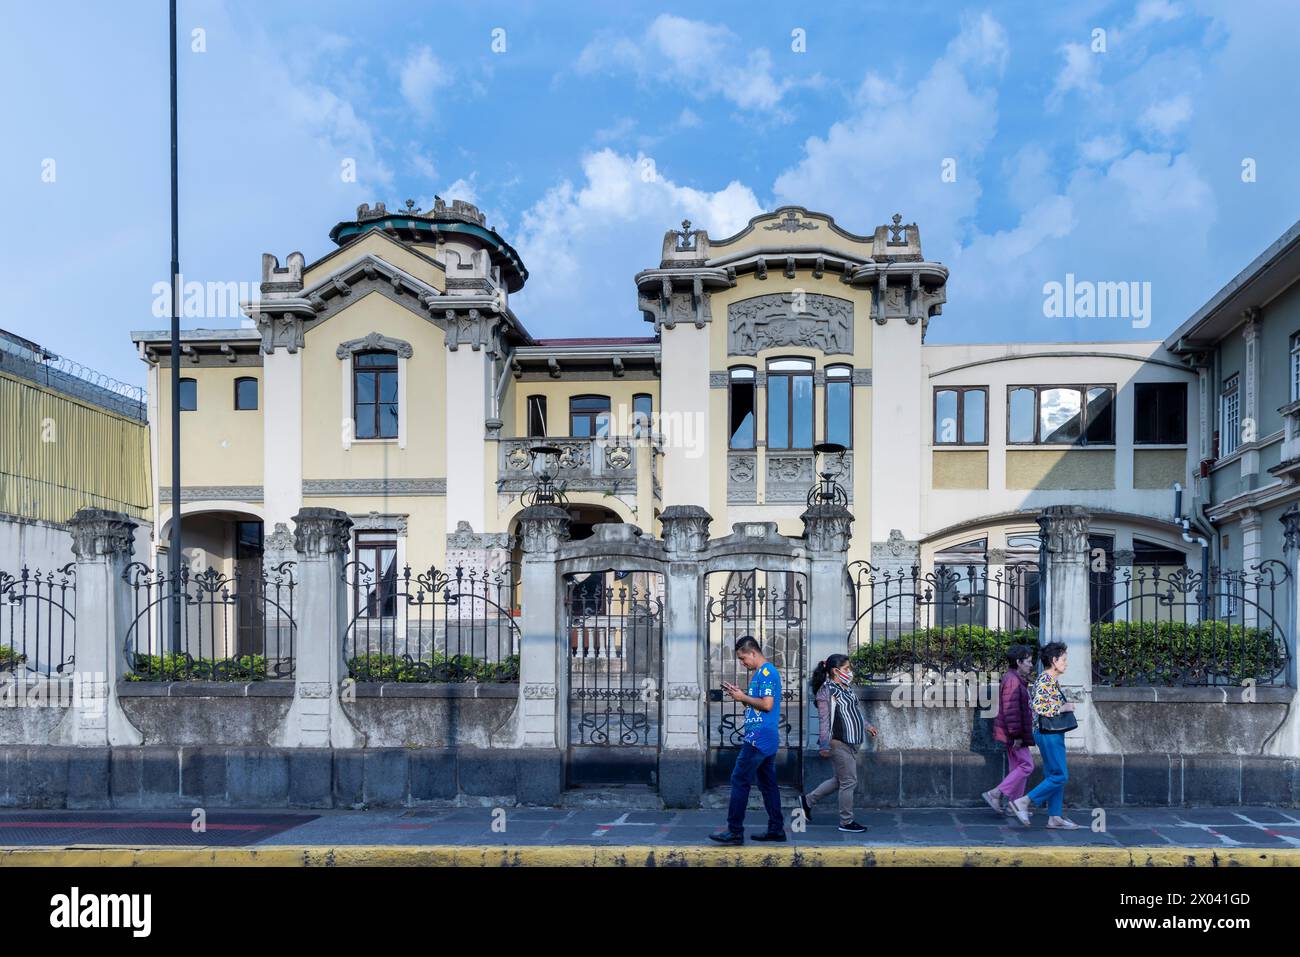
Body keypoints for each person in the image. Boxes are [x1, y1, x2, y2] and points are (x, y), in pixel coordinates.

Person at [709, 636, 785, 844]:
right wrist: (740, 697)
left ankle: (734, 831)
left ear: (753, 652)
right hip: (762, 736)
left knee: (739, 780)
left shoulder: (767, 673)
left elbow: (767, 705)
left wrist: (743, 698)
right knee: (768, 784)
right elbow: (757, 706)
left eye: (743, 659)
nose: (742, 663)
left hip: (759, 738)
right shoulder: (760, 674)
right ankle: (776, 829)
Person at [801, 654, 878, 832]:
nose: (850, 672)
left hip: (852, 742)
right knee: (849, 781)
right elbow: (824, 720)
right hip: (838, 742)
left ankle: (807, 801)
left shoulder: (845, 687)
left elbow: (854, 711)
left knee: (840, 779)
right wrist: (824, 745)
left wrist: (867, 726)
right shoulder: (826, 692)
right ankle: (846, 822)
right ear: (835, 671)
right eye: (846, 669)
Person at [1009, 642, 1079, 829]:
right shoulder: (1045, 679)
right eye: (1063, 660)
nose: (1066, 663)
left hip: (1052, 732)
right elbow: (1038, 706)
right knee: (1060, 775)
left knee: (1053, 774)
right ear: (1054, 661)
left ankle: (1054, 817)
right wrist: (1064, 707)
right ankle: (1024, 801)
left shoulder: (1050, 680)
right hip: (1048, 733)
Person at [981, 644, 1036, 819]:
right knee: (1027, 765)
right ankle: (996, 793)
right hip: (1015, 735)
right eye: (1028, 661)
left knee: (1016, 768)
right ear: (1019, 662)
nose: (1031, 664)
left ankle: (1014, 805)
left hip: (1013, 734)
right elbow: (1011, 711)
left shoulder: (1014, 678)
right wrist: (1017, 735)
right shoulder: (1012, 680)